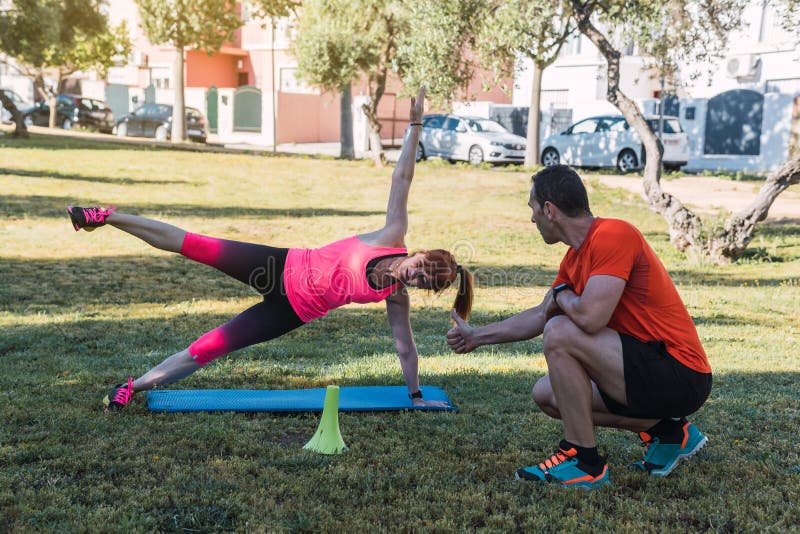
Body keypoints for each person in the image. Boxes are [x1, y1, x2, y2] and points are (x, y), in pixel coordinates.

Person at [68, 87, 473, 411]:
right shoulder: (391, 235)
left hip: (290, 311)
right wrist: (415, 126)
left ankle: (131, 387)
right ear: (418, 253)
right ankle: (107, 217)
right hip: (279, 264)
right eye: (421, 267)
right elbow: (401, 179)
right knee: (192, 245)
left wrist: (417, 395)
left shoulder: (395, 298)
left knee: (209, 347)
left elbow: (405, 345)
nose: (414, 276)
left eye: (422, 282)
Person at [446, 164, 711, 489]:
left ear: (549, 209)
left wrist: (564, 296)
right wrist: (477, 336)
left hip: (681, 375)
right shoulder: (574, 259)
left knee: (560, 331)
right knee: (547, 394)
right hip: (643, 372)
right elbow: (542, 313)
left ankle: (585, 462)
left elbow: (588, 318)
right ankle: (669, 433)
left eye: (532, 209)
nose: (532, 219)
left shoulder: (614, 234)